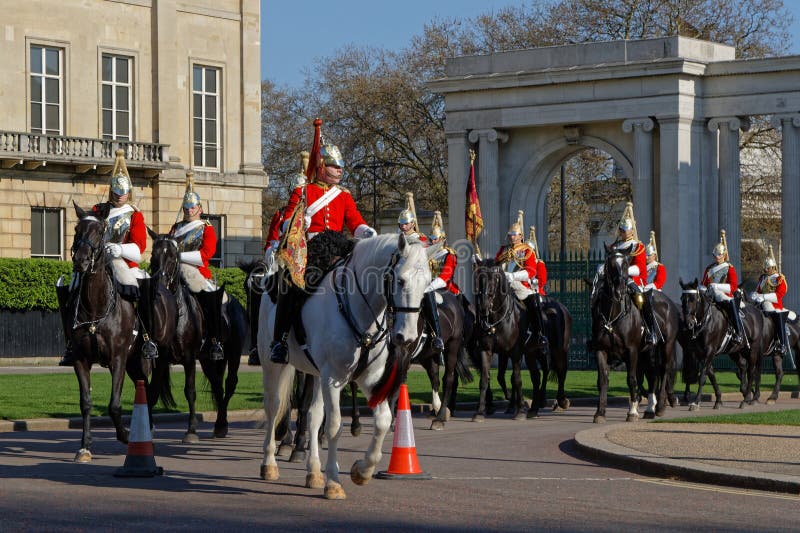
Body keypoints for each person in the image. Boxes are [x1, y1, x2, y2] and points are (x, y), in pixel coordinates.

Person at [270, 126, 377, 364]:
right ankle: (280, 340)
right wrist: (300, 220)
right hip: (312, 248)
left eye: (340, 166)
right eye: (333, 165)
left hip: (339, 246)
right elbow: (285, 223)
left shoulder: (344, 195)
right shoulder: (303, 191)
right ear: (321, 167)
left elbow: (355, 222)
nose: (339, 170)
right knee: (291, 284)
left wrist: (367, 231)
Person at [56, 150, 147, 366]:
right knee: (72, 286)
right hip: (95, 259)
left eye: (122, 192)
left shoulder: (135, 214)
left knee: (135, 287)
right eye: (116, 191)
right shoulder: (99, 209)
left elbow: (140, 248)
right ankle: (71, 341)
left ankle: (146, 338)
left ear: (128, 192)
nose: (118, 196)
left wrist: (120, 250)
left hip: (120, 260)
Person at [168, 172, 225, 360]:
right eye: (186, 207)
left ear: (199, 208)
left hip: (196, 272)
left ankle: (215, 341)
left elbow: (206, 254)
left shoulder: (206, 227)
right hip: (174, 271)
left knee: (210, 300)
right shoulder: (176, 228)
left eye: (192, 207)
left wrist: (179, 255)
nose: (188, 210)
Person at [495, 211, 548, 348]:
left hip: (521, 286)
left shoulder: (527, 251)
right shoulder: (503, 250)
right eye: (510, 235)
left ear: (521, 236)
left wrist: (512, 276)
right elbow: (496, 264)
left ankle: (539, 334)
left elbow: (531, 271)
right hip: (502, 285)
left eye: (515, 235)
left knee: (533, 304)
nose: (512, 237)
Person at [608, 202, 657, 345]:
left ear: (631, 231)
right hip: (616, 280)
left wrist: (623, 272)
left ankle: (650, 331)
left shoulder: (638, 247)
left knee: (642, 300)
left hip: (632, 280)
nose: (622, 232)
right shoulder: (615, 246)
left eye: (625, 230)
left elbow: (640, 268)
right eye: (621, 230)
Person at [701, 229, 744, 344]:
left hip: (723, 295)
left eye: (719, 254)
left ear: (724, 255)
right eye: (715, 254)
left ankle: (738, 332)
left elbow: (733, 287)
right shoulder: (709, 269)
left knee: (730, 302)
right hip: (710, 294)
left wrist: (717, 287)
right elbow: (704, 283)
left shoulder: (729, 268)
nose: (717, 257)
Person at [422, 211, 453, 355]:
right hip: (426, 287)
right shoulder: (425, 254)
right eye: (432, 239)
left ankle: (438, 336)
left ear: (442, 239)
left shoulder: (448, 254)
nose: (433, 242)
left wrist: (428, 287)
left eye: (436, 239)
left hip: (444, 289)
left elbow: (445, 277)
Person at [751, 245, 789, 353]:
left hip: (775, 305)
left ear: (773, 267)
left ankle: (782, 344)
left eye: (768, 268)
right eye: (765, 268)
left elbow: (780, 294)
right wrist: (755, 294)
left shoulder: (779, 278)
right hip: (761, 304)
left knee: (778, 317)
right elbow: (758, 290)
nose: (766, 269)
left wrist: (763, 297)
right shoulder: (763, 278)